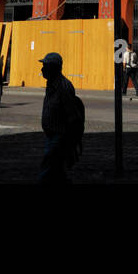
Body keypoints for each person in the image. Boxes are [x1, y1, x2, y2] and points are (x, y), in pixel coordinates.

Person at [39, 52, 82, 184]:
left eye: (45, 65)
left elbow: (72, 115)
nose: (42, 69)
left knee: (48, 167)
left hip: (59, 136)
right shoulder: (51, 84)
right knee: (56, 169)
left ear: (54, 68)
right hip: (51, 134)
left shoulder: (63, 87)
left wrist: (70, 141)